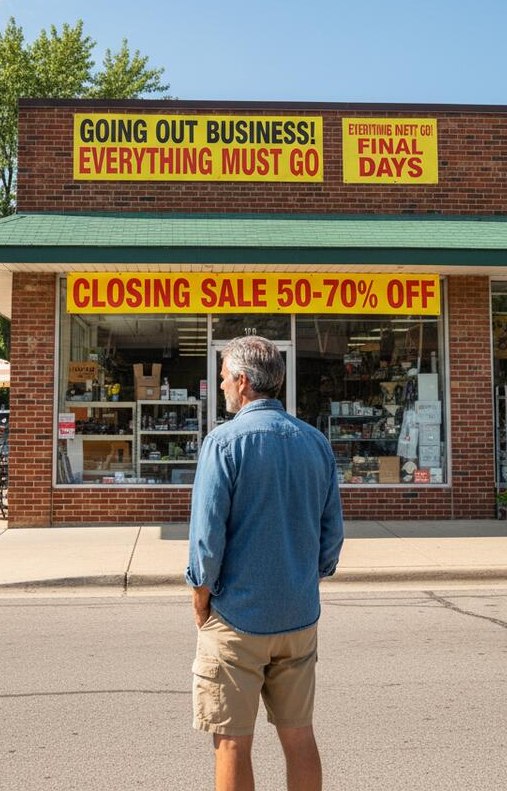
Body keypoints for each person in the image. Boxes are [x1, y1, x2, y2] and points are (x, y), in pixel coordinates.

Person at [186, 335, 344, 791]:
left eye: (222, 379)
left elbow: (207, 540)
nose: (220, 387)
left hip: (237, 616)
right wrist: (303, 578)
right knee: (299, 735)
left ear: (241, 381)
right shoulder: (315, 442)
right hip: (298, 616)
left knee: (232, 741)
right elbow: (331, 536)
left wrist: (201, 599)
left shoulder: (224, 443)